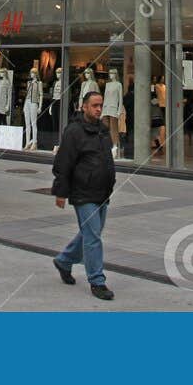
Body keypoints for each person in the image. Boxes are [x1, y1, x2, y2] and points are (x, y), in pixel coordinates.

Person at [51, 89, 117, 300]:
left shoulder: (103, 130)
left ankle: (64, 260)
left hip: (102, 191)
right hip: (83, 192)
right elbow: (63, 163)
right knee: (93, 237)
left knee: (90, 234)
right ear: (84, 107)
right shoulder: (74, 131)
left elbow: (107, 159)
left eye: (100, 105)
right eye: (94, 106)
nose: (99, 109)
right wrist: (60, 192)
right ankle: (97, 281)